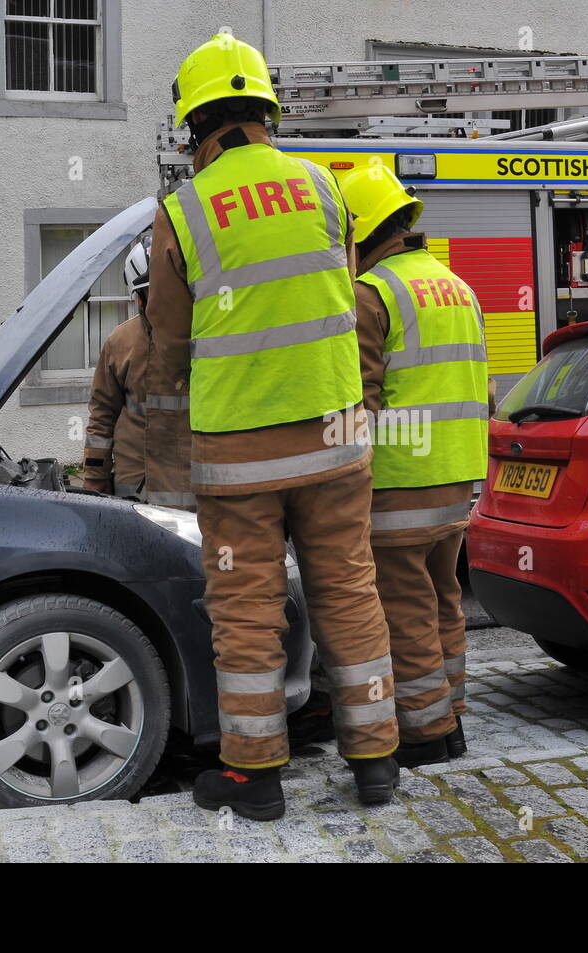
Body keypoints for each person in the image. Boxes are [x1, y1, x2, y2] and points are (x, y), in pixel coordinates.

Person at [146, 32, 400, 820]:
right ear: (264, 114)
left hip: (239, 459)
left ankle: (254, 777)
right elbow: (343, 300)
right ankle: (376, 761)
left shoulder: (184, 211)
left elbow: (168, 346)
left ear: (198, 131)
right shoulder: (326, 189)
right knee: (350, 592)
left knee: (249, 609)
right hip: (334, 440)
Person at [339, 163, 490, 767]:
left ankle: (426, 737)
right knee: (443, 598)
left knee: (404, 609)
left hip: (400, 484)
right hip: (456, 482)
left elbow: (362, 402)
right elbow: (481, 389)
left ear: (366, 230)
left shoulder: (372, 295)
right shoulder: (459, 287)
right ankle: (451, 717)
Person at [81, 237, 194, 509]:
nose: (161, 304)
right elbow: (102, 415)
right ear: (138, 297)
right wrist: (95, 475)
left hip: (200, 491)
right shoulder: (121, 343)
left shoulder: (210, 336)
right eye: (152, 294)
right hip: (139, 491)